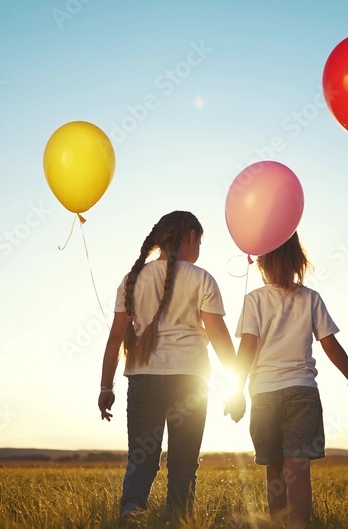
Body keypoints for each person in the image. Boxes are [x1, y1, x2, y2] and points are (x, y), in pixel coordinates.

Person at [97, 210, 239, 523]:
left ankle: (131, 514)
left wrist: (106, 387)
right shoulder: (202, 278)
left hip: (143, 381)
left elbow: (114, 340)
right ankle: (179, 521)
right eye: (199, 242)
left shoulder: (133, 279)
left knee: (141, 459)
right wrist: (237, 387)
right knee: (184, 464)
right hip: (190, 381)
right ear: (191, 237)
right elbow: (219, 339)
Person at [227, 232, 348, 528]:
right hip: (302, 392)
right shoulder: (311, 298)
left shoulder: (254, 300)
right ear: (297, 261)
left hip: (264, 395)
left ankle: (278, 524)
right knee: (298, 467)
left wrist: (236, 389)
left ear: (262, 263)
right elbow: (331, 345)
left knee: (275, 470)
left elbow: (247, 348)